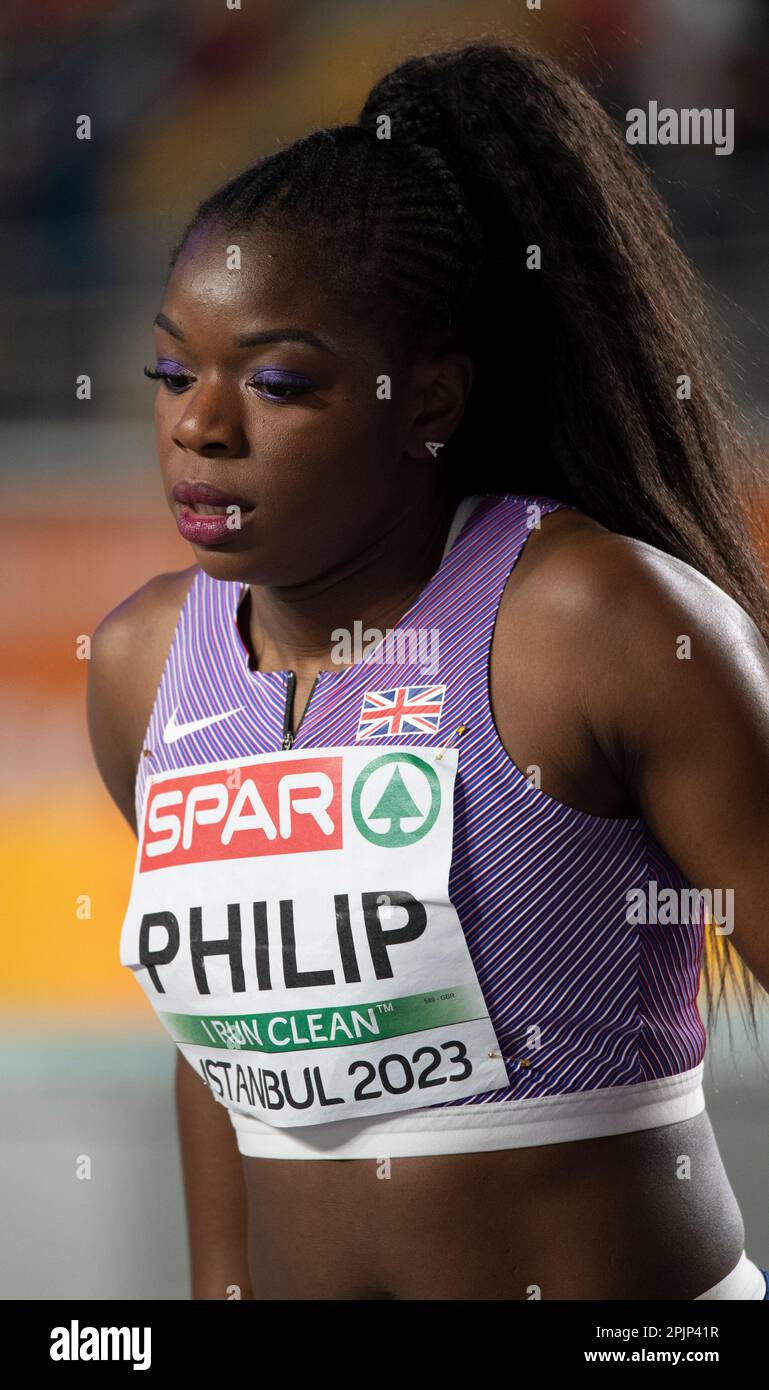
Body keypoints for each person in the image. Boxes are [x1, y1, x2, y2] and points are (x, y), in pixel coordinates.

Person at [87, 40, 769, 1300]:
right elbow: (227, 1057)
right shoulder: (139, 664)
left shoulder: (592, 622)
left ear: (430, 400)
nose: (199, 424)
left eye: (280, 382)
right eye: (172, 372)